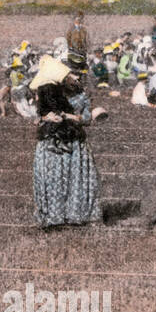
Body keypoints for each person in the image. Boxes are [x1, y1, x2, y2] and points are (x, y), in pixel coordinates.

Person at [29, 56, 101, 228]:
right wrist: (46, 117)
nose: (76, 78)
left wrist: (70, 116)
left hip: (75, 142)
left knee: (76, 180)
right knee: (52, 179)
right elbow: (36, 116)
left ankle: (77, 216)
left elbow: (87, 118)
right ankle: (53, 218)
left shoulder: (82, 95)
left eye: (79, 75)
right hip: (52, 142)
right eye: (73, 74)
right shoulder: (48, 89)